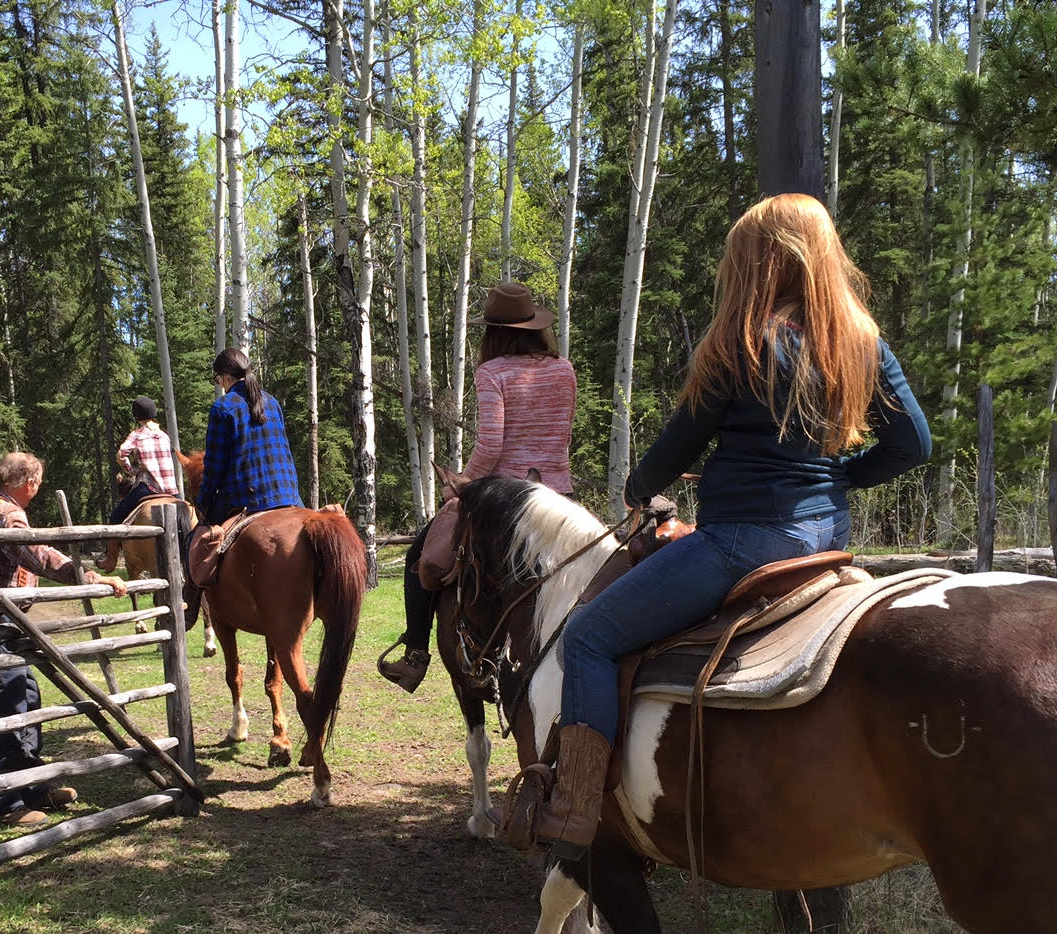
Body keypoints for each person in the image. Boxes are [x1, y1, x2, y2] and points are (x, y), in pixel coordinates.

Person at [513, 193, 932, 860]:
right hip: (827, 541)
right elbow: (914, 445)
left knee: (590, 636)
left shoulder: (737, 342)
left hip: (743, 543)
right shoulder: (862, 342)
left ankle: (576, 809)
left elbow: (680, 445)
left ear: (760, 263)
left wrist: (637, 487)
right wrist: (840, 476)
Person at [377, 281, 577, 692]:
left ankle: (415, 655)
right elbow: (562, 436)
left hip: (505, 501)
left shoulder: (493, 372)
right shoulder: (564, 369)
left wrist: (462, 487)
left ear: (494, 331)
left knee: (422, 557)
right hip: (559, 500)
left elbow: (491, 445)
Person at [0, 451, 129, 826]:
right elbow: (38, 556)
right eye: (36, 482)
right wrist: (90, 578)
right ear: (26, 482)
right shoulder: (8, 515)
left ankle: (34, 787)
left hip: (0, 619)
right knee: (4, 708)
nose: (37, 489)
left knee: (25, 700)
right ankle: (5, 805)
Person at [197, 347, 302, 526]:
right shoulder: (273, 402)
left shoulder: (222, 407)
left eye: (218, 379)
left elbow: (214, 466)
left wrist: (203, 502)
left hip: (245, 497)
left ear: (226, 377)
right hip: (288, 494)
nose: (220, 384)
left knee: (199, 542)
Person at [104, 396, 179, 573]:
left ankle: (110, 560)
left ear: (137, 416)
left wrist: (131, 470)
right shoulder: (164, 436)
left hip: (148, 488)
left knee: (115, 517)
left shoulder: (137, 435)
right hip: (171, 491)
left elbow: (121, 453)